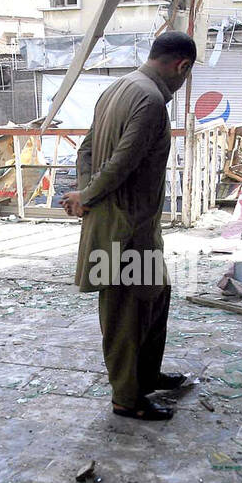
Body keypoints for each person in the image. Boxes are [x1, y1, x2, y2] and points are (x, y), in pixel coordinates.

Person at [61, 31, 196, 421]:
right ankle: (127, 398)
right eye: (186, 75)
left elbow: (86, 149)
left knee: (156, 295)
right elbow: (123, 161)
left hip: (133, 226)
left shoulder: (117, 88)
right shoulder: (151, 100)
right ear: (181, 66)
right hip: (124, 229)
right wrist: (87, 198)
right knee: (123, 312)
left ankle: (146, 376)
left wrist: (86, 191)